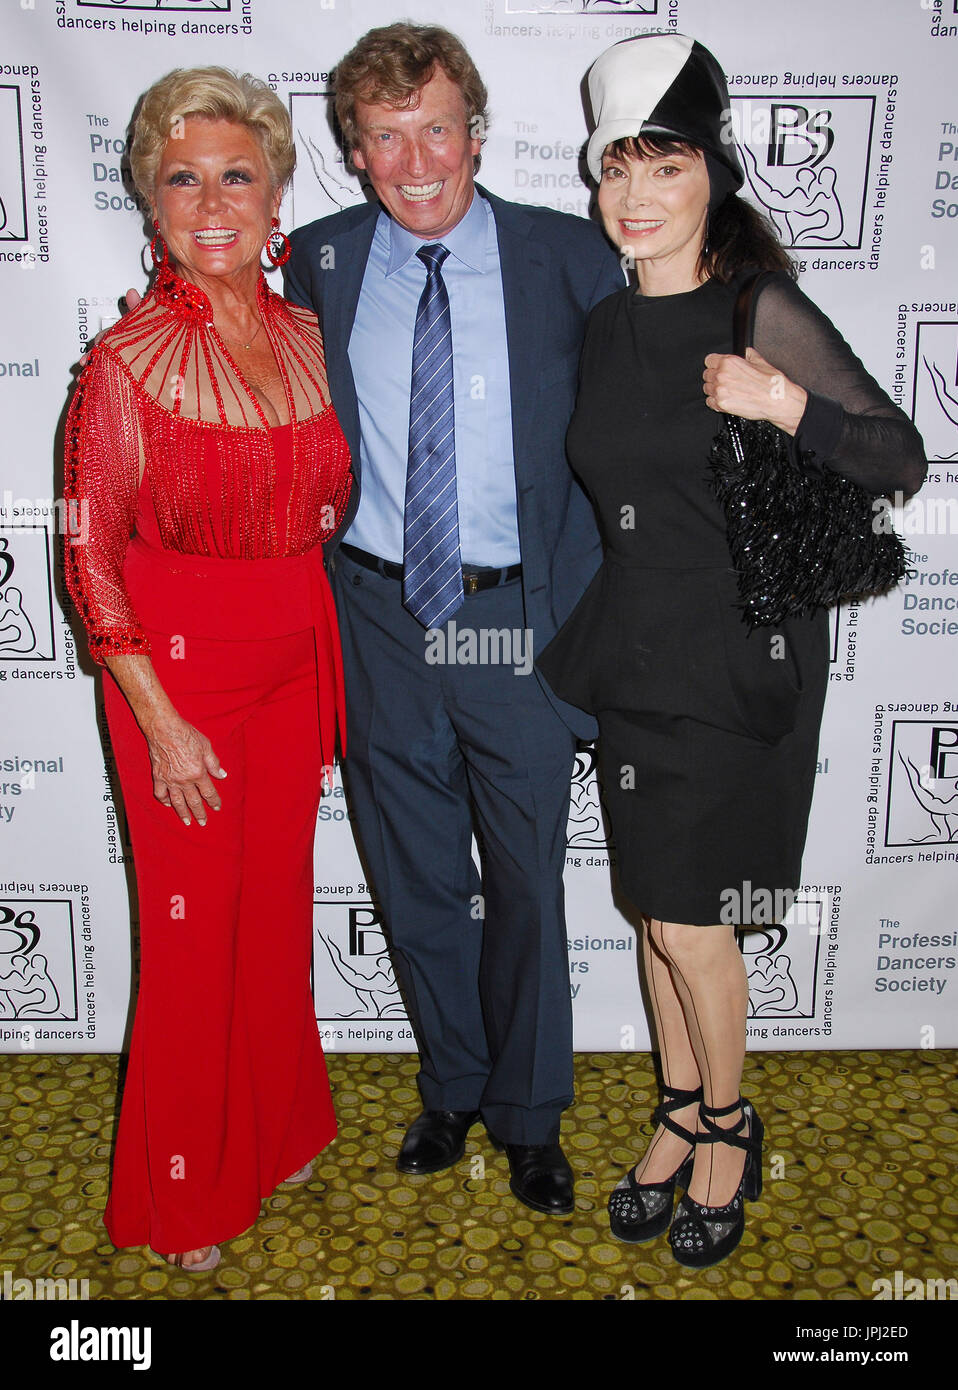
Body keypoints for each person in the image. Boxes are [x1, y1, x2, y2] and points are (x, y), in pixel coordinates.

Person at [538, 33, 926, 1266]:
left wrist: (783, 403)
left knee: (697, 924)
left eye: (664, 165)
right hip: (638, 650)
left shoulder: (757, 307)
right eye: (616, 171)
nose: (636, 197)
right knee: (654, 911)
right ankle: (671, 1106)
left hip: (741, 658)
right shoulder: (603, 331)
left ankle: (725, 1122)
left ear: (713, 175)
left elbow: (900, 458)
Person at [284, 22, 624, 1215]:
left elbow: (622, 447)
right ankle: (453, 1084)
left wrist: (584, 620)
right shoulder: (317, 261)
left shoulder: (568, 258)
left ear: (474, 132)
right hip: (377, 612)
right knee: (414, 870)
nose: (416, 159)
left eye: (436, 127)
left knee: (526, 876)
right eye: (386, 136)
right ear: (355, 150)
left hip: (513, 621)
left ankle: (531, 1116)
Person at [63, 67, 353, 1271]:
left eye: (239, 173)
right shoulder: (122, 365)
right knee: (192, 935)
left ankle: (276, 1127)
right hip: (174, 676)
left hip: (297, 652)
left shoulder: (311, 332)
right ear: (152, 202)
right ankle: (181, 1196)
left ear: (277, 191)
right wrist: (164, 722)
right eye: (185, 178)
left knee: (275, 914)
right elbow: (87, 556)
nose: (214, 200)